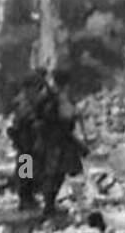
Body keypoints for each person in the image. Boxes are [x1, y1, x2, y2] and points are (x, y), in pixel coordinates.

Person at [35, 69, 88, 215]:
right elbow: (66, 117)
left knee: (45, 172)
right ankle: (30, 199)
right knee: (40, 173)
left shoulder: (44, 96)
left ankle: (33, 199)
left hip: (38, 140)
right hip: (42, 140)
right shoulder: (54, 97)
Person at [7, 69, 51, 210]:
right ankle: (25, 198)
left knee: (31, 168)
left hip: (29, 139)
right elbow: (23, 120)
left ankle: (29, 196)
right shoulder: (24, 102)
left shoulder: (28, 99)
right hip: (25, 139)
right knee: (25, 168)